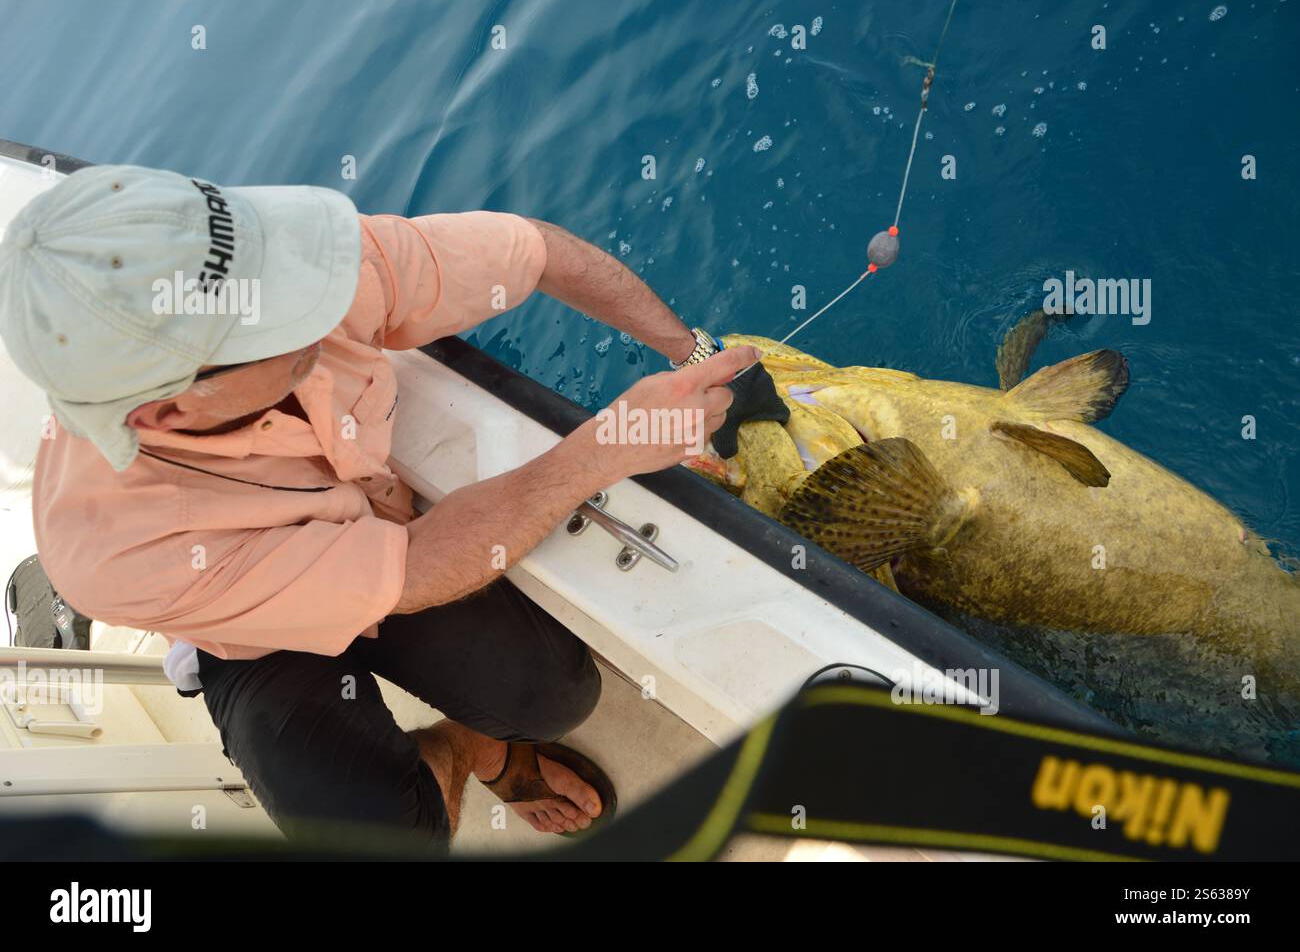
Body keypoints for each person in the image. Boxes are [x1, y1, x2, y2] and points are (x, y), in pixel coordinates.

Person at [0, 164, 788, 848]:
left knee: (556, 694)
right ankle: (461, 753)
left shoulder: (287, 270)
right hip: (250, 629)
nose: (320, 294)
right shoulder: (113, 555)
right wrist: (606, 446)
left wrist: (692, 353)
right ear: (168, 412)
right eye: (277, 321)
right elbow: (412, 572)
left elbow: (536, 251)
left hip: (375, 532)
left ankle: (493, 741)